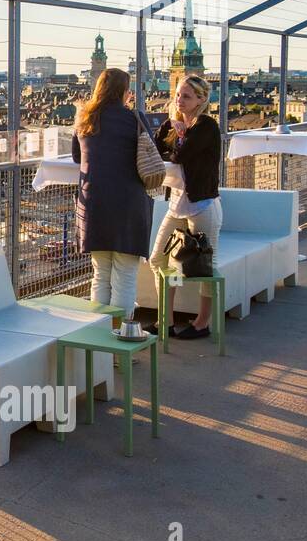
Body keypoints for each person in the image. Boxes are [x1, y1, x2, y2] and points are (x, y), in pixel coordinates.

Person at [72, 68, 153, 321]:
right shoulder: (135, 119)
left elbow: (77, 156)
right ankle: (119, 340)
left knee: (100, 273)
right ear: (124, 93)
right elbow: (150, 152)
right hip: (128, 203)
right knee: (125, 275)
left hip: (94, 202)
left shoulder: (85, 119)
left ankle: (99, 338)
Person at [148, 75, 223, 340]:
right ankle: (165, 320)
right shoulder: (172, 121)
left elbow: (180, 155)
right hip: (178, 202)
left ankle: (203, 322)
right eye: (178, 94)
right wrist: (176, 137)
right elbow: (156, 150)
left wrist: (180, 139)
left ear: (202, 100)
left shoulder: (206, 126)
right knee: (158, 259)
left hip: (202, 204)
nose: (179, 100)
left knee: (204, 266)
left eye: (187, 96)